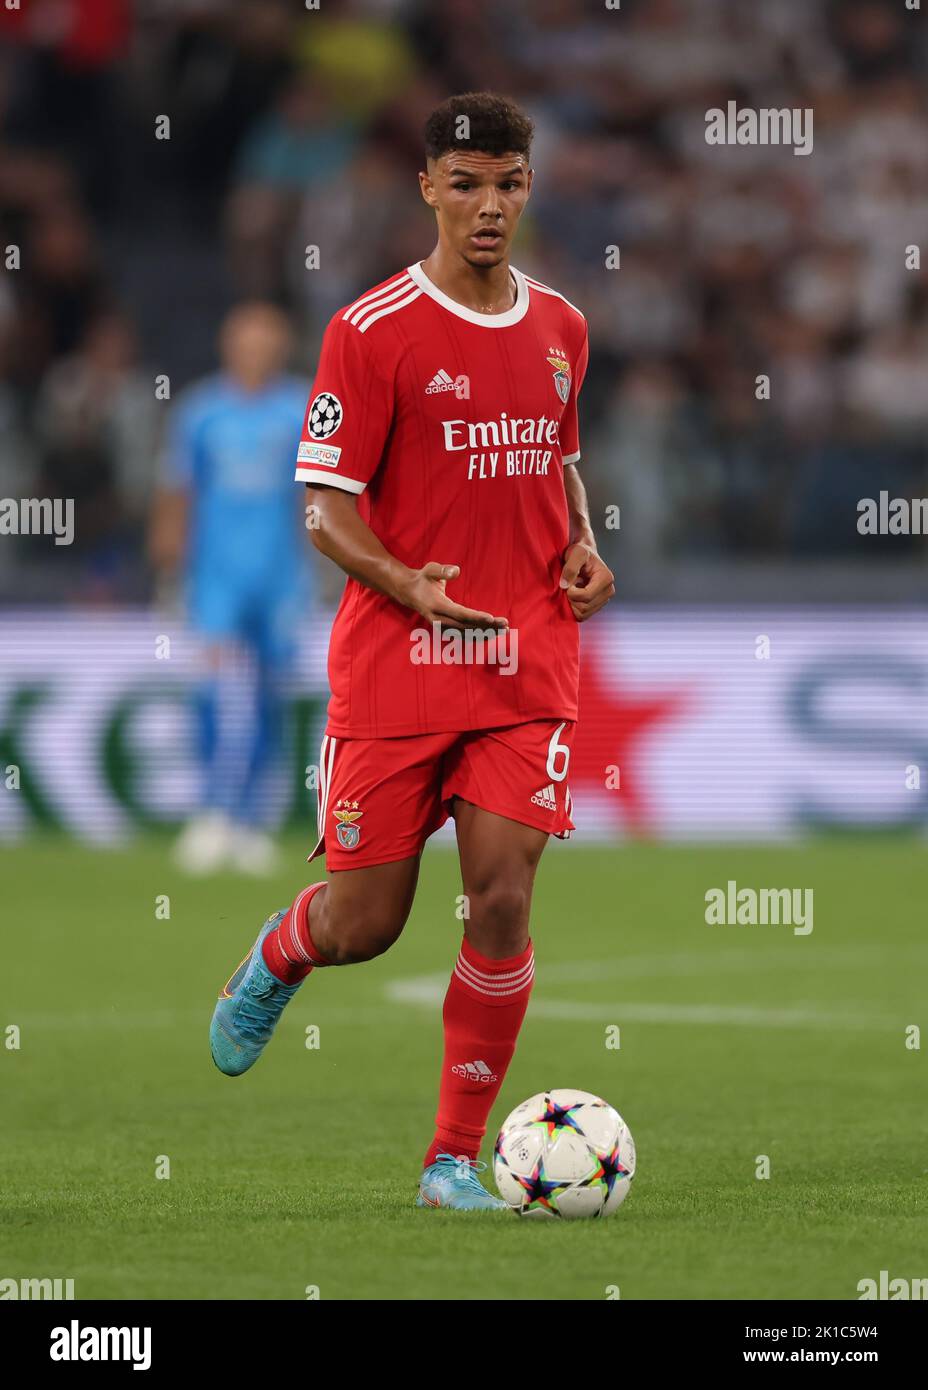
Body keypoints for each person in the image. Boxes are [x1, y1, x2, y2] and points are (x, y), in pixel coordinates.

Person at [209, 93, 615, 1207]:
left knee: (501, 899)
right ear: (429, 187)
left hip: (524, 659)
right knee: (367, 924)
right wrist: (409, 587)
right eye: (468, 184)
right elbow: (323, 507)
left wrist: (584, 544)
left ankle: (450, 1158)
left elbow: (559, 463)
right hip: (398, 664)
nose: (490, 206)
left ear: (528, 188)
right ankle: (283, 951)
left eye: (509, 184)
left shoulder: (563, 326)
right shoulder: (370, 329)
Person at [150, 301, 310, 874]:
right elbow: (178, 489)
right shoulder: (201, 412)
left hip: (281, 576)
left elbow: (318, 495)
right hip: (214, 578)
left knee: (269, 693)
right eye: (246, 342)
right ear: (228, 346)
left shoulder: (301, 407)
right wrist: (169, 562)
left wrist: (325, 567)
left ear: (280, 349)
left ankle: (249, 817)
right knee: (213, 692)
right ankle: (211, 811)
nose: (254, 353)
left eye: (265, 343)